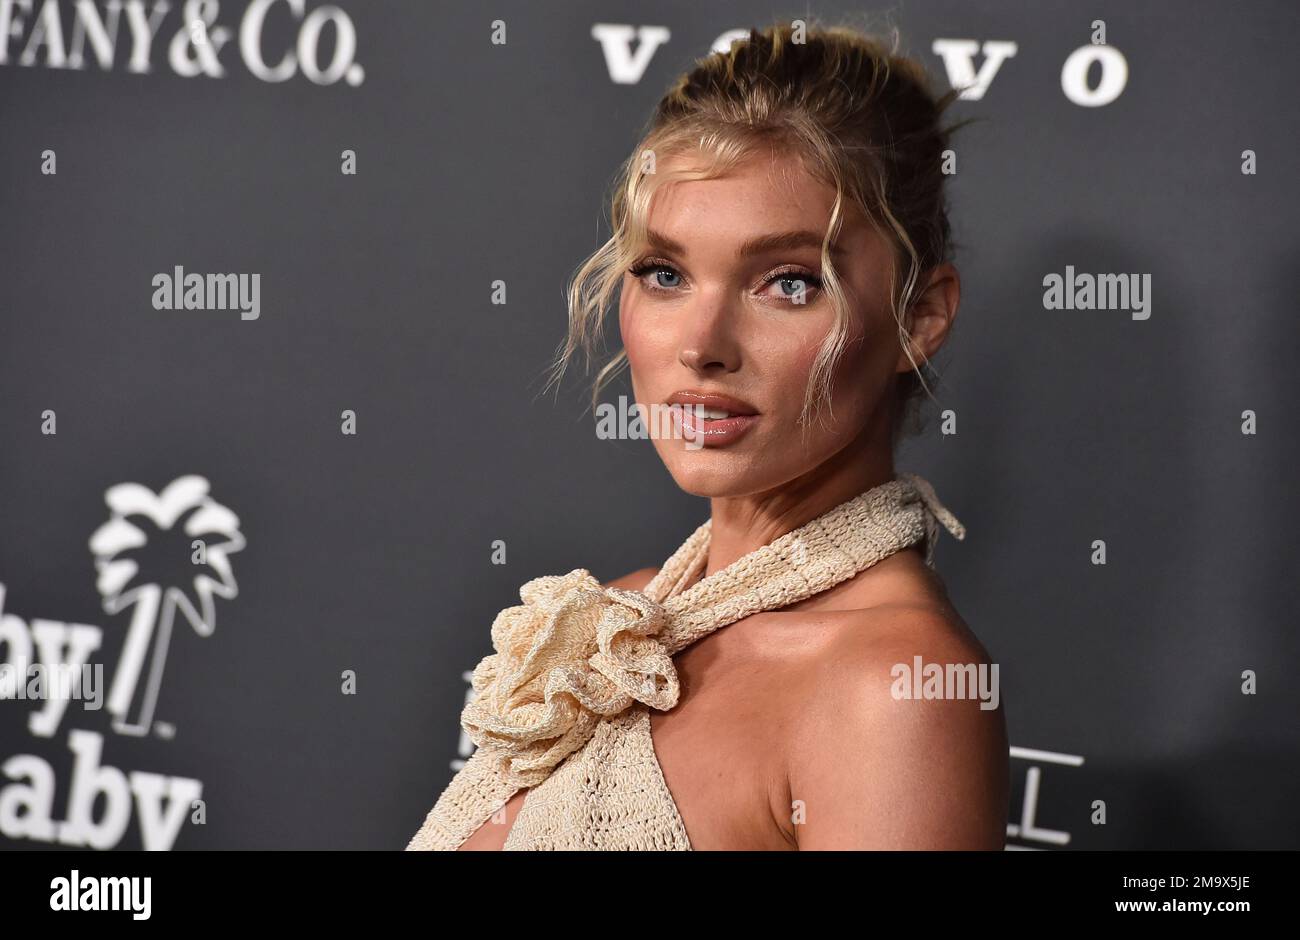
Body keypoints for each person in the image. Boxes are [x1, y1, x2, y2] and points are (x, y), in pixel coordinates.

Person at [408, 19, 1008, 851]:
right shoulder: (627, 619)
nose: (702, 344)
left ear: (920, 317)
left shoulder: (896, 688)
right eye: (665, 274)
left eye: (789, 283)